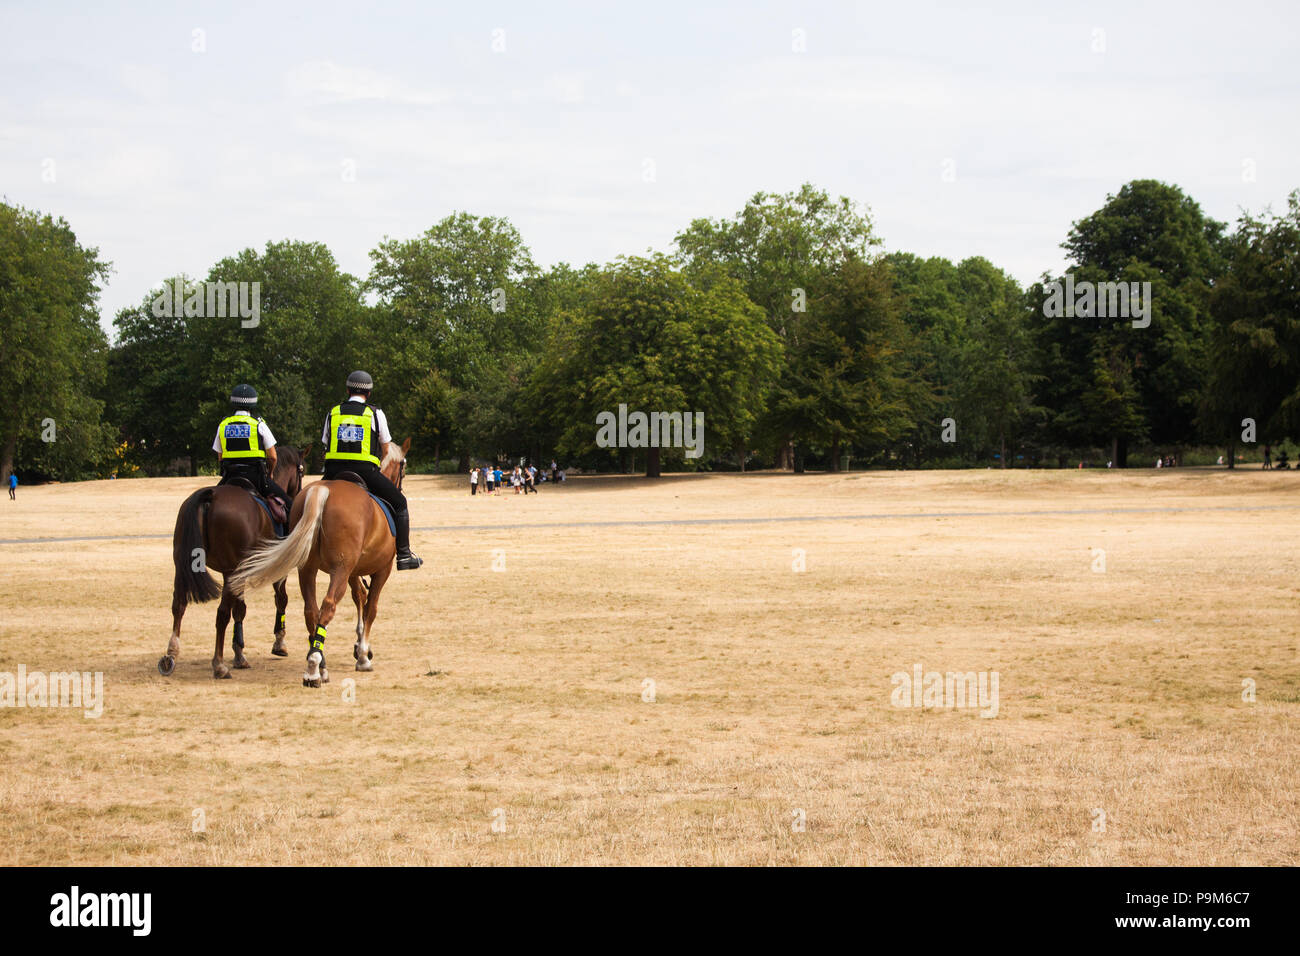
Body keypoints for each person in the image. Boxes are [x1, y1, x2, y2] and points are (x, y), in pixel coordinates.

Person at [321, 370, 422, 570]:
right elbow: (386, 448)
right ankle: (403, 554)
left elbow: (325, 442)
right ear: (369, 393)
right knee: (400, 503)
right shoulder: (375, 414)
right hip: (365, 471)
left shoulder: (333, 412)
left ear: (347, 390)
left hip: (332, 472)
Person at [213, 384, 292, 517]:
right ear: (253, 404)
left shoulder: (223, 424)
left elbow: (220, 456)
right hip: (256, 477)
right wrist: (270, 473)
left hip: (230, 476)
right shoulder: (258, 424)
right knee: (289, 505)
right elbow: (272, 457)